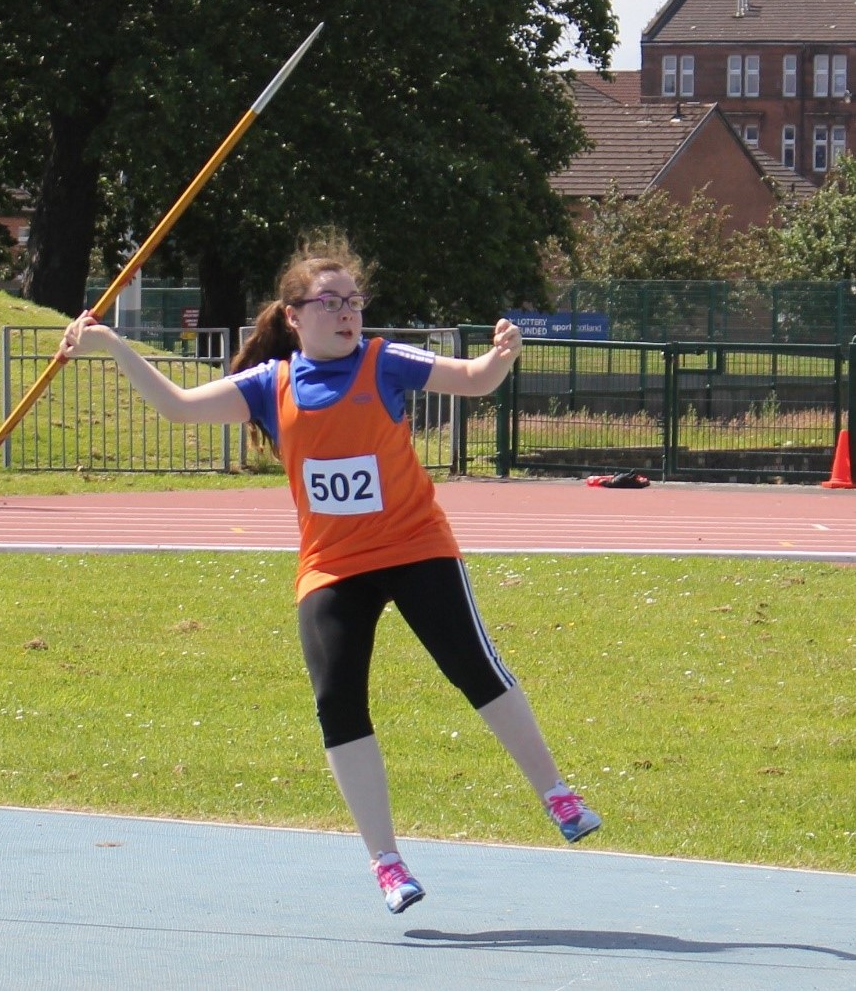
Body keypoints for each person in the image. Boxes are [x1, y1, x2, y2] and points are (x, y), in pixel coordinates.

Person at [59, 232, 600, 915]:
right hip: (333, 567)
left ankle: (555, 792)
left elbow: (473, 381)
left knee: (473, 666)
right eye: (331, 302)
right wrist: (111, 347)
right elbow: (179, 407)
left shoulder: (385, 362)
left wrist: (500, 356)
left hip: (414, 546)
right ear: (294, 316)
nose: (347, 313)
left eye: (355, 301)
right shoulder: (269, 385)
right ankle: (387, 861)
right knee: (337, 701)